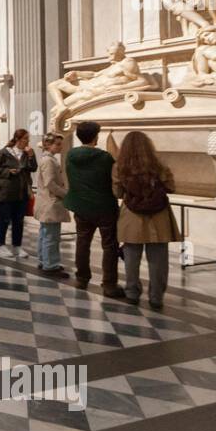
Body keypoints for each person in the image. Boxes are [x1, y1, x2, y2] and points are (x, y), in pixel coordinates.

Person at [112, 131, 179, 309]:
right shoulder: (159, 165)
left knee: (131, 257)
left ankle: (132, 292)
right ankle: (156, 296)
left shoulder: (120, 167)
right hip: (159, 216)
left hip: (132, 216)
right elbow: (171, 187)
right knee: (158, 259)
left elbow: (117, 193)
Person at [65, 120, 124, 298]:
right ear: (95, 136)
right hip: (104, 207)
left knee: (83, 242)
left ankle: (82, 279)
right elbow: (113, 177)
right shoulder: (104, 157)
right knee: (109, 246)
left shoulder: (71, 155)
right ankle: (109, 284)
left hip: (81, 207)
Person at [0, 128, 37, 258]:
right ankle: (0, 245)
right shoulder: (3, 153)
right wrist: (8, 172)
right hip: (5, 192)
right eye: (25, 139)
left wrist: (31, 155)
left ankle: (17, 246)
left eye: (28, 139)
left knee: (19, 221)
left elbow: (33, 168)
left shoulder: (26, 153)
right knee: (4, 219)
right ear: (17, 139)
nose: (27, 141)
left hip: (21, 193)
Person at [35, 133, 70, 278]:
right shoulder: (49, 161)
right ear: (48, 145)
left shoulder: (47, 159)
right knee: (51, 235)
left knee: (45, 233)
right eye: (58, 144)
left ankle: (44, 260)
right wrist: (65, 194)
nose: (61, 147)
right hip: (51, 202)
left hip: (46, 202)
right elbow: (50, 183)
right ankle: (50, 265)